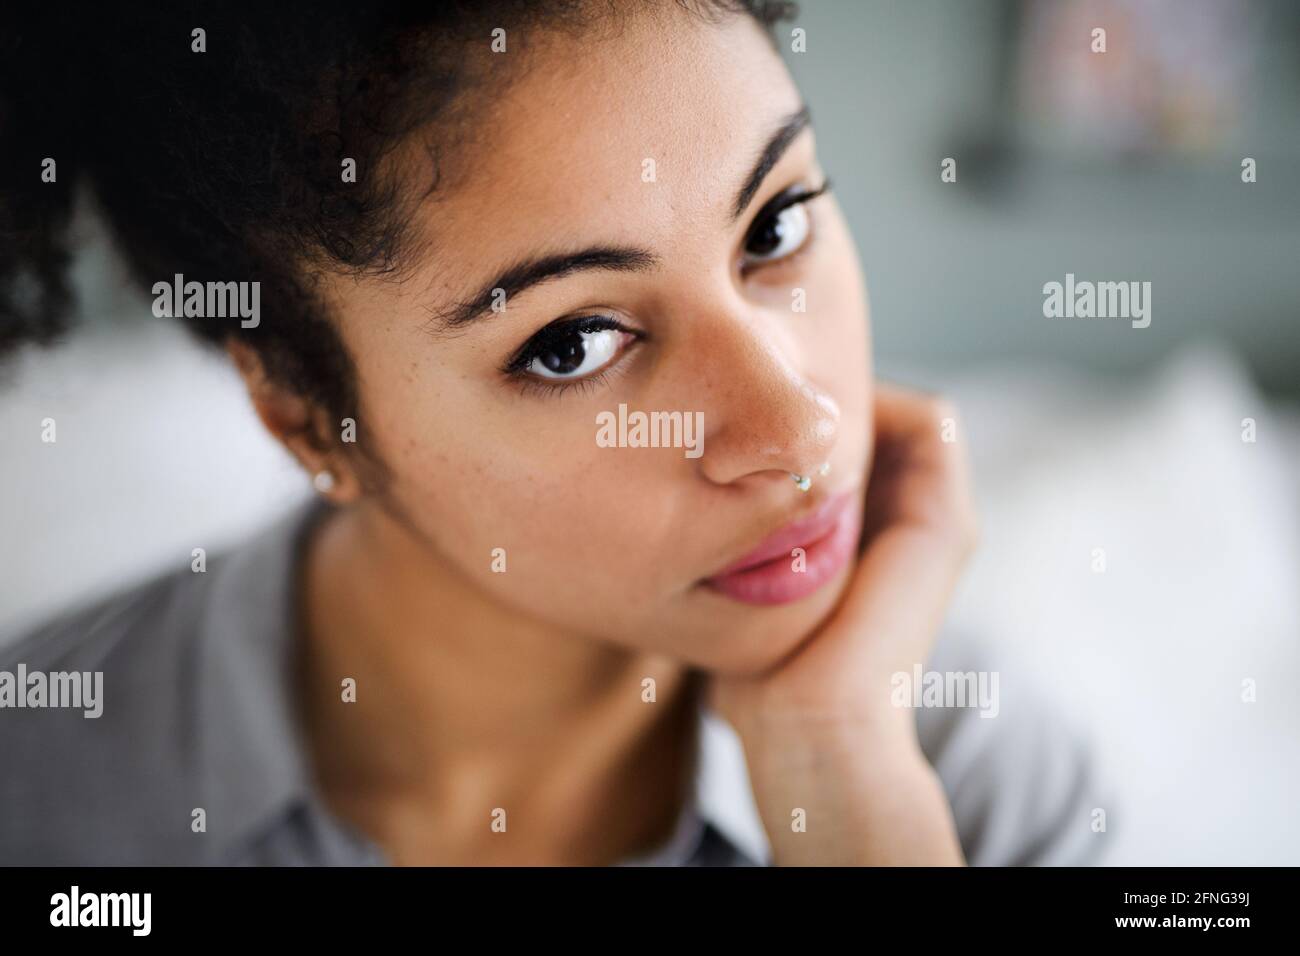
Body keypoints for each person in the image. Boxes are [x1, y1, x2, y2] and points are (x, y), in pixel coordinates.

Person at [0, 1, 1108, 866]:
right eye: (573, 342)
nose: (800, 426)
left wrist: (839, 765)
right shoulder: (43, 784)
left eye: (773, 225)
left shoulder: (969, 777)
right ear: (304, 413)